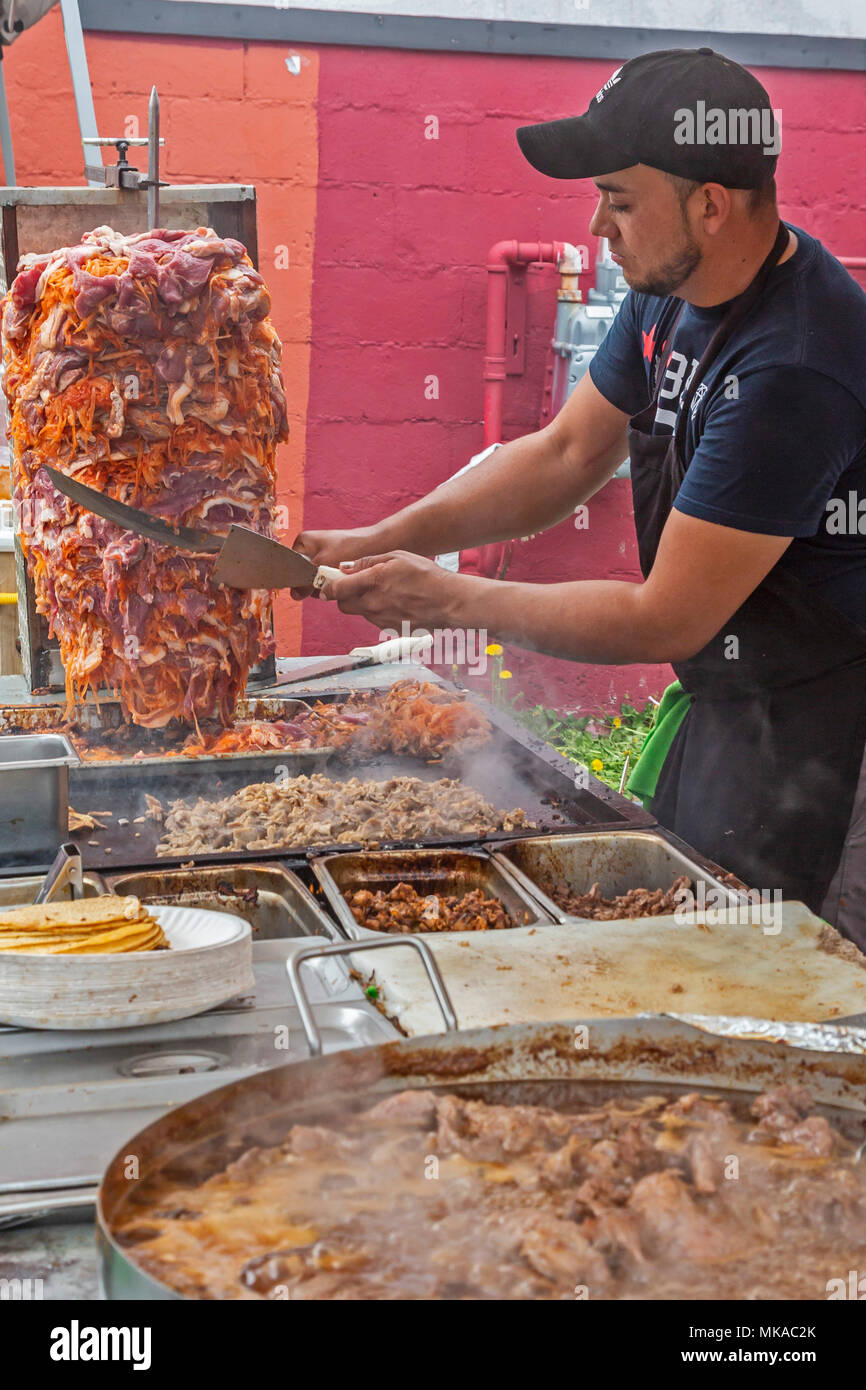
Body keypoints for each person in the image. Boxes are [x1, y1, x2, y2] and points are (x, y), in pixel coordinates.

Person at [293, 48, 866, 941]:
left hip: (822, 732)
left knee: (770, 987)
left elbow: (662, 618)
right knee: (680, 942)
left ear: (710, 204)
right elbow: (564, 454)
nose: (598, 223)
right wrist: (383, 535)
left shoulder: (794, 367)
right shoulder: (668, 287)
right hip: (730, 702)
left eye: (620, 199)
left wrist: (443, 599)